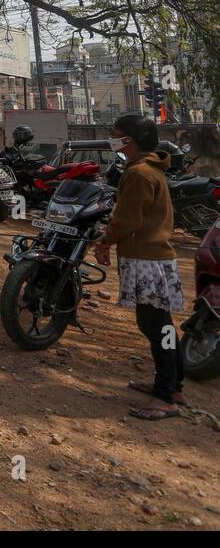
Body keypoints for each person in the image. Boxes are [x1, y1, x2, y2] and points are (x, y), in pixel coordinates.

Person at [94, 113, 185, 420]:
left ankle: (165, 396)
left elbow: (127, 219)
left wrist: (105, 240)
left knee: (155, 325)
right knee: (162, 325)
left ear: (129, 141)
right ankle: (173, 385)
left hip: (146, 259)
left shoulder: (138, 174)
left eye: (116, 134)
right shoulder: (150, 170)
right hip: (156, 258)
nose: (113, 138)